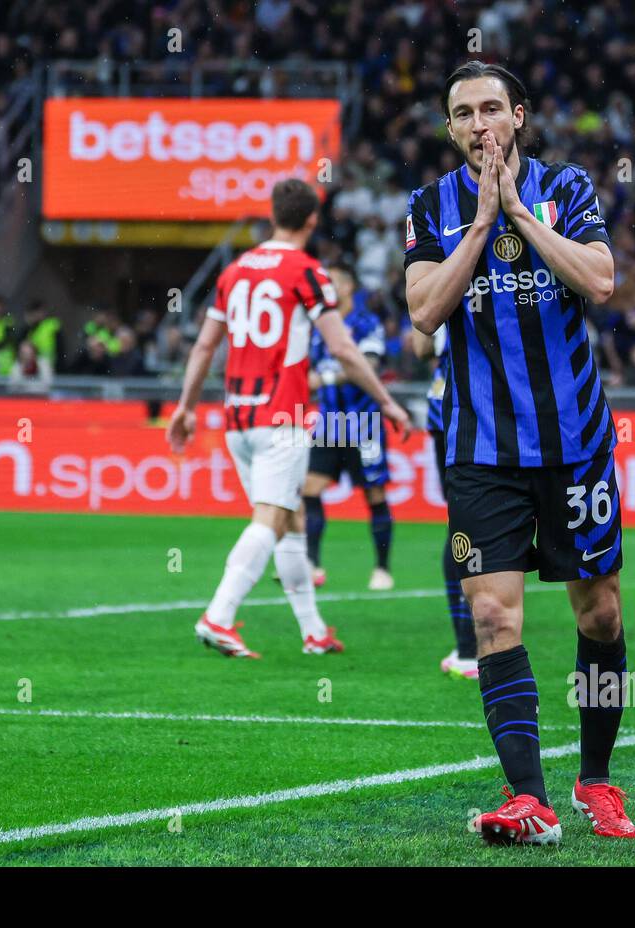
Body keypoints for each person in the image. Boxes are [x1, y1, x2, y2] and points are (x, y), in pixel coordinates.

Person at [405, 61, 634, 846]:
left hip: (573, 444)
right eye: (464, 113)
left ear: (520, 116)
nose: (480, 125)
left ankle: (596, 781)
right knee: (494, 614)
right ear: (449, 128)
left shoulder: (565, 189)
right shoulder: (428, 206)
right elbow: (425, 311)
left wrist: (518, 216)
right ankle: (527, 796)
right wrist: (478, 224)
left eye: (492, 109)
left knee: (598, 611)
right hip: (482, 447)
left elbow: (601, 281)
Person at [167, 179, 411, 659]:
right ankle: (218, 615)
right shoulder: (307, 271)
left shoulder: (234, 270)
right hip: (283, 415)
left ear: (273, 215)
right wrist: (385, 399)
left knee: (292, 517)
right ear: (313, 220)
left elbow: (203, 346)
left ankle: (313, 630)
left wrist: (185, 406)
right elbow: (341, 347)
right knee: (272, 518)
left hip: (237, 415)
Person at [301, 264, 396, 591]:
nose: (327, 287)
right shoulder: (319, 326)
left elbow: (366, 367)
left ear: (348, 286)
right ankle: (311, 564)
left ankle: (382, 569)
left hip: (364, 421)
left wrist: (324, 378)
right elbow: (308, 369)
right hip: (329, 422)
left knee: (374, 492)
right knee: (309, 488)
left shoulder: (366, 324)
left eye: (333, 282)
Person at [412, 323, 478, 679]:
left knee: (462, 519)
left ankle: (470, 645)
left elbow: (421, 345)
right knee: (467, 520)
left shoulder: (439, 268)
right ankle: (470, 646)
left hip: (446, 401)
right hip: (474, 402)